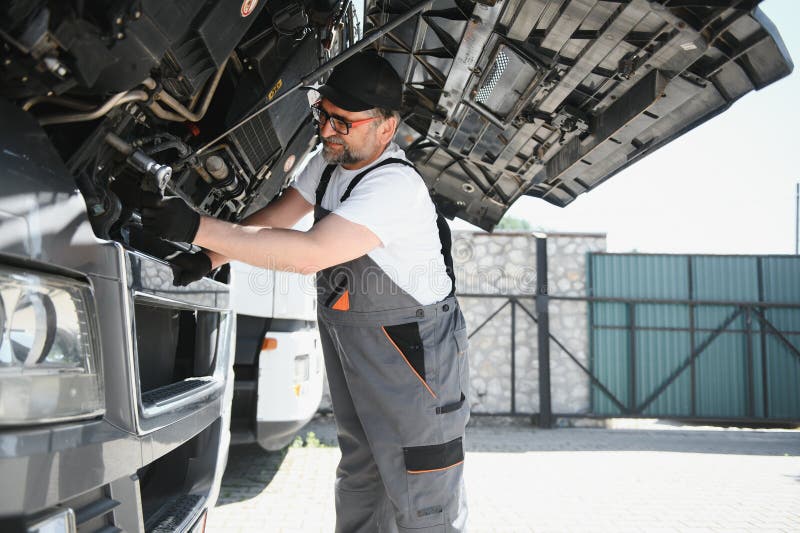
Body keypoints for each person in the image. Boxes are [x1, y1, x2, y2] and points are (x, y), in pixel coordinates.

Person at [142, 51, 470, 532]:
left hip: (415, 361)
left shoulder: (395, 187)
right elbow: (279, 216)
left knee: (423, 493)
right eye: (324, 115)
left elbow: (308, 253)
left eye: (343, 121)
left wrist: (198, 228)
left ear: (387, 127)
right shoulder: (330, 165)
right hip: (361, 350)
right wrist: (211, 256)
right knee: (362, 476)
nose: (327, 130)